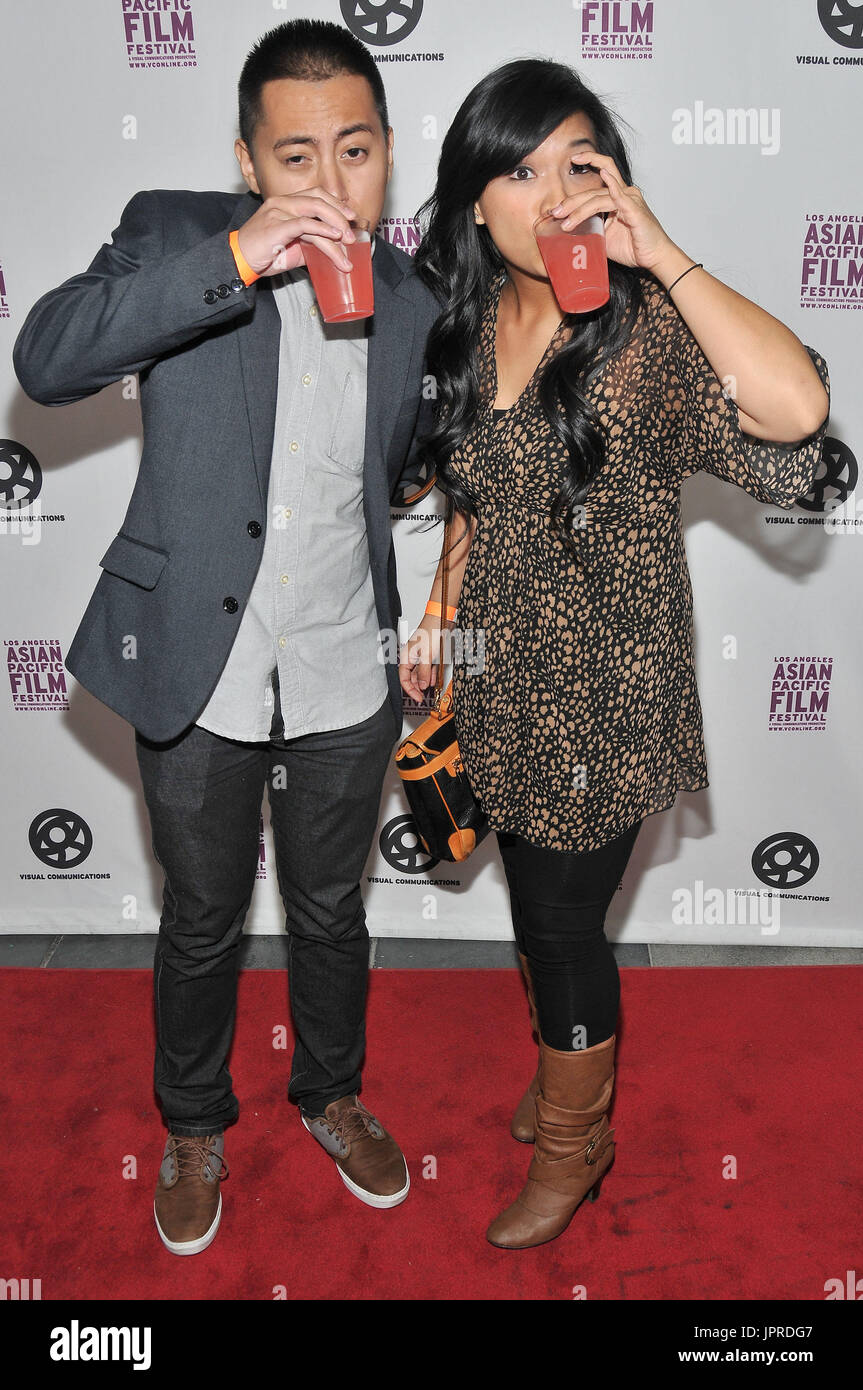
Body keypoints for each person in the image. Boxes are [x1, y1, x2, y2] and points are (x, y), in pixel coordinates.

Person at [13, 19, 440, 1255]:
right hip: (192, 662)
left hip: (341, 660)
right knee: (200, 915)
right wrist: (237, 258)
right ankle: (194, 1121)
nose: (328, 180)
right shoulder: (173, 227)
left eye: (353, 150)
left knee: (330, 911)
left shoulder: (410, 295)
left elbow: (401, 464)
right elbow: (46, 361)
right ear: (249, 161)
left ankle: (331, 1093)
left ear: (386, 155)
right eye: (294, 154)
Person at [399, 58, 830, 1250]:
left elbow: (796, 415)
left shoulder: (640, 336)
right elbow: (469, 498)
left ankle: (574, 1148)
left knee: (556, 929)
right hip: (501, 683)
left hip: (607, 693)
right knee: (538, 917)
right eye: (518, 168)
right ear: (474, 198)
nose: (550, 193)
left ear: (612, 178)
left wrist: (661, 250)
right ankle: (559, 1082)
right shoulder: (471, 324)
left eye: (575, 161)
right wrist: (441, 617)